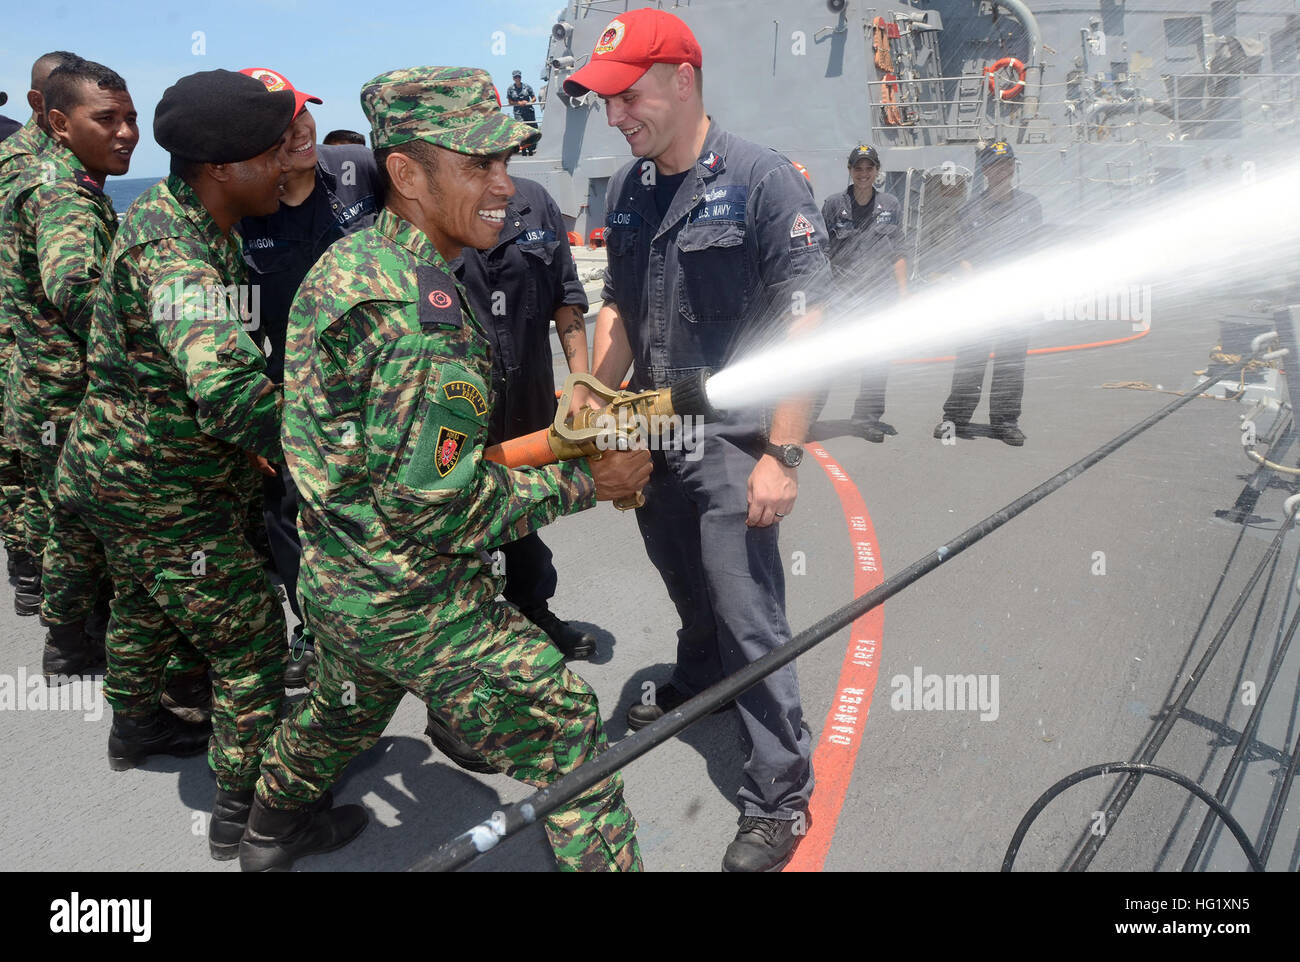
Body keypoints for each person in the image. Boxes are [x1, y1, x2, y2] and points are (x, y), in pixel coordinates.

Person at [242, 66, 649, 873]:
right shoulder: (424, 321)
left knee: (340, 711)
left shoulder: (347, 265)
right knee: (565, 722)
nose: (505, 184)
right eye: (477, 165)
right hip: (412, 592)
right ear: (405, 173)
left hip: (336, 576)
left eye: (507, 160)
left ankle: (268, 832)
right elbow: (440, 510)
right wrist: (589, 480)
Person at [565, 7, 828, 872]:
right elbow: (619, 309)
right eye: (605, 102)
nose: (615, 117)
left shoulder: (762, 181)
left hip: (733, 438)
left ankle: (779, 796)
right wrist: (596, 399)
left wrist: (782, 457)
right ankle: (702, 674)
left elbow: (806, 325)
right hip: (655, 426)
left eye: (628, 97)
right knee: (683, 579)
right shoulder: (632, 192)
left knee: (751, 614)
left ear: (684, 79)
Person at [54, 68, 297, 859]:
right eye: (275, 154)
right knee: (252, 639)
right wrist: (307, 455)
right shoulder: (174, 252)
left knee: (147, 603)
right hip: (157, 487)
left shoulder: (189, 215)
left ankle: (136, 725)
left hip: (127, 471)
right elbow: (226, 385)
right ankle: (252, 812)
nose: (289, 166)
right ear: (224, 168)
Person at [236, 67, 382, 689]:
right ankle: (314, 628)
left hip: (385, 382)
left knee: (405, 504)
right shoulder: (238, 219)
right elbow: (234, 335)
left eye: (302, 114)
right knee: (292, 515)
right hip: (294, 393)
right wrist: (250, 424)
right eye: (279, 124)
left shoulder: (359, 170)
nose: (299, 131)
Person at [0, 58, 136, 678]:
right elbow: (77, 286)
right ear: (58, 122)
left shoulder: (44, 176)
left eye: (130, 119)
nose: (126, 132)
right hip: (69, 392)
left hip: (41, 382)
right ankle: (79, 643)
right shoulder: (63, 196)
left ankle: (71, 642)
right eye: (106, 119)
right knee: (86, 524)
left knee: (67, 520)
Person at [0, 50, 81, 615]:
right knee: (50, 482)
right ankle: (63, 609)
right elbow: (72, 285)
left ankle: (33, 578)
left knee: (22, 473)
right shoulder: (51, 175)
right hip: (41, 354)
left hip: (19, 350)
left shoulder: (11, 161)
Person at [932, 140, 1041, 446]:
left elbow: (1034, 254)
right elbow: (962, 255)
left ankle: (1005, 422)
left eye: (1005, 164)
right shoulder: (970, 208)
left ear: (1012, 168)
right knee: (970, 360)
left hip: (1016, 299)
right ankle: (955, 418)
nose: (1000, 170)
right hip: (979, 299)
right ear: (985, 170)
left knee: (1010, 363)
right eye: (993, 165)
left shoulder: (1030, 206)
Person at [820, 144, 907, 442]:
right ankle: (805, 417)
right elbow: (822, 253)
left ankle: (866, 419)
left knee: (876, 361)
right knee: (825, 359)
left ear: (876, 171)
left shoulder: (891, 205)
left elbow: (899, 252)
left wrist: (903, 296)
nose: (863, 173)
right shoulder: (834, 205)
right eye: (858, 167)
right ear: (850, 170)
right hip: (842, 296)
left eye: (869, 168)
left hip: (878, 297)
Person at [506, 70, 538, 155]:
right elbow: (510, 101)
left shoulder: (527, 87)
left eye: (519, 77)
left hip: (529, 111)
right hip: (518, 113)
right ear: (513, 78)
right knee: (522, 131)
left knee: (531, 130)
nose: (517, 78)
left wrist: (528, 102)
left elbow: (534, 98)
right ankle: (523, 150)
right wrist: (518, 103)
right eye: (516, 77)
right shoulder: (510, 89)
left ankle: (531, 150)